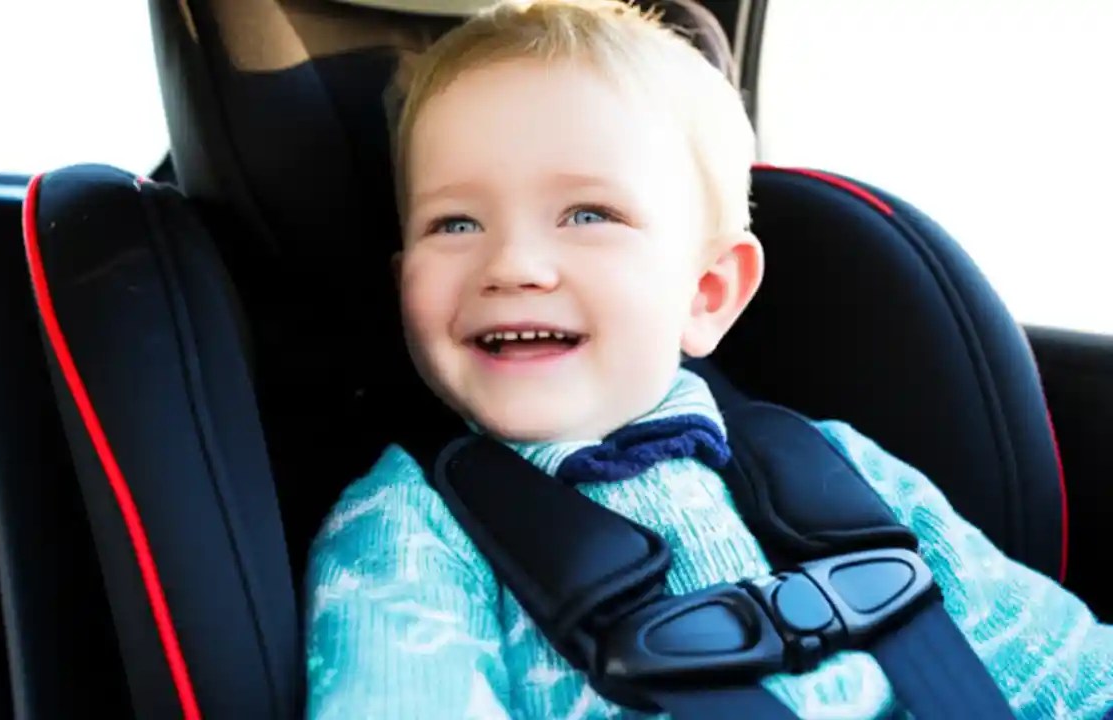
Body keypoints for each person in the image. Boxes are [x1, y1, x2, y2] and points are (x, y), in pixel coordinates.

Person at [303, 0, 1113, 716]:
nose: (513, 263)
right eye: (454, 225)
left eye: (588, 213)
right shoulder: (408, 532)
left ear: (708, 292)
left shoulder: (838, 468)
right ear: (402, 280)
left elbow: (1063, 672)